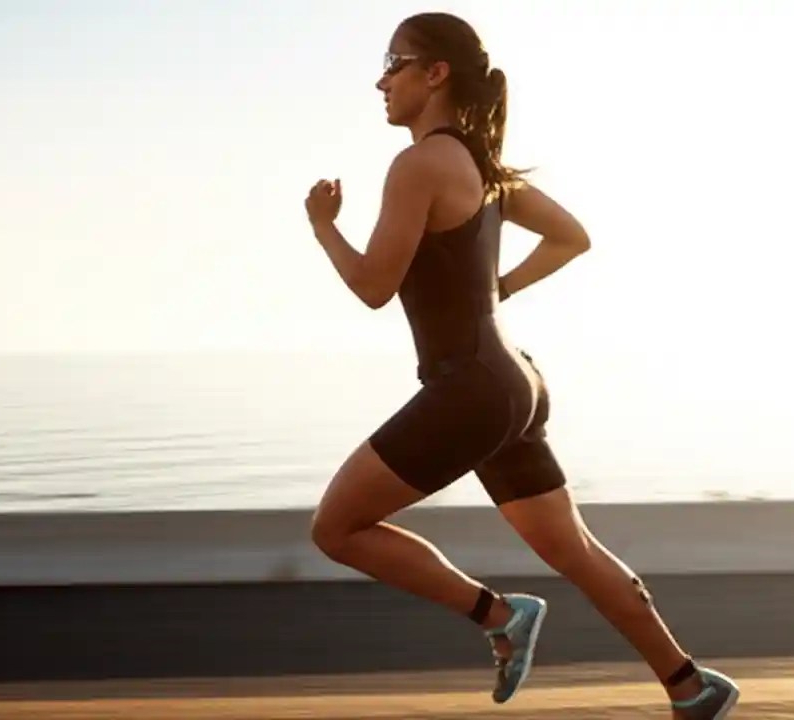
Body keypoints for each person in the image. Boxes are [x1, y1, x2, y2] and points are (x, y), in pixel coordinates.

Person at [302, 11, 740, 719]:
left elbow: (374, 287)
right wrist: (495, 292)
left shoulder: (419, 166)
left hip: (472, 390)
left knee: (336, 529)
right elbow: (571, 237)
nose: (381, 81)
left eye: (392, 63)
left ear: (435, 73)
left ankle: (499, 615)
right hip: (513, 380)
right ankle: (690, 686)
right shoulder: (483, 168)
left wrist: (325, 229)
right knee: (575, 550)